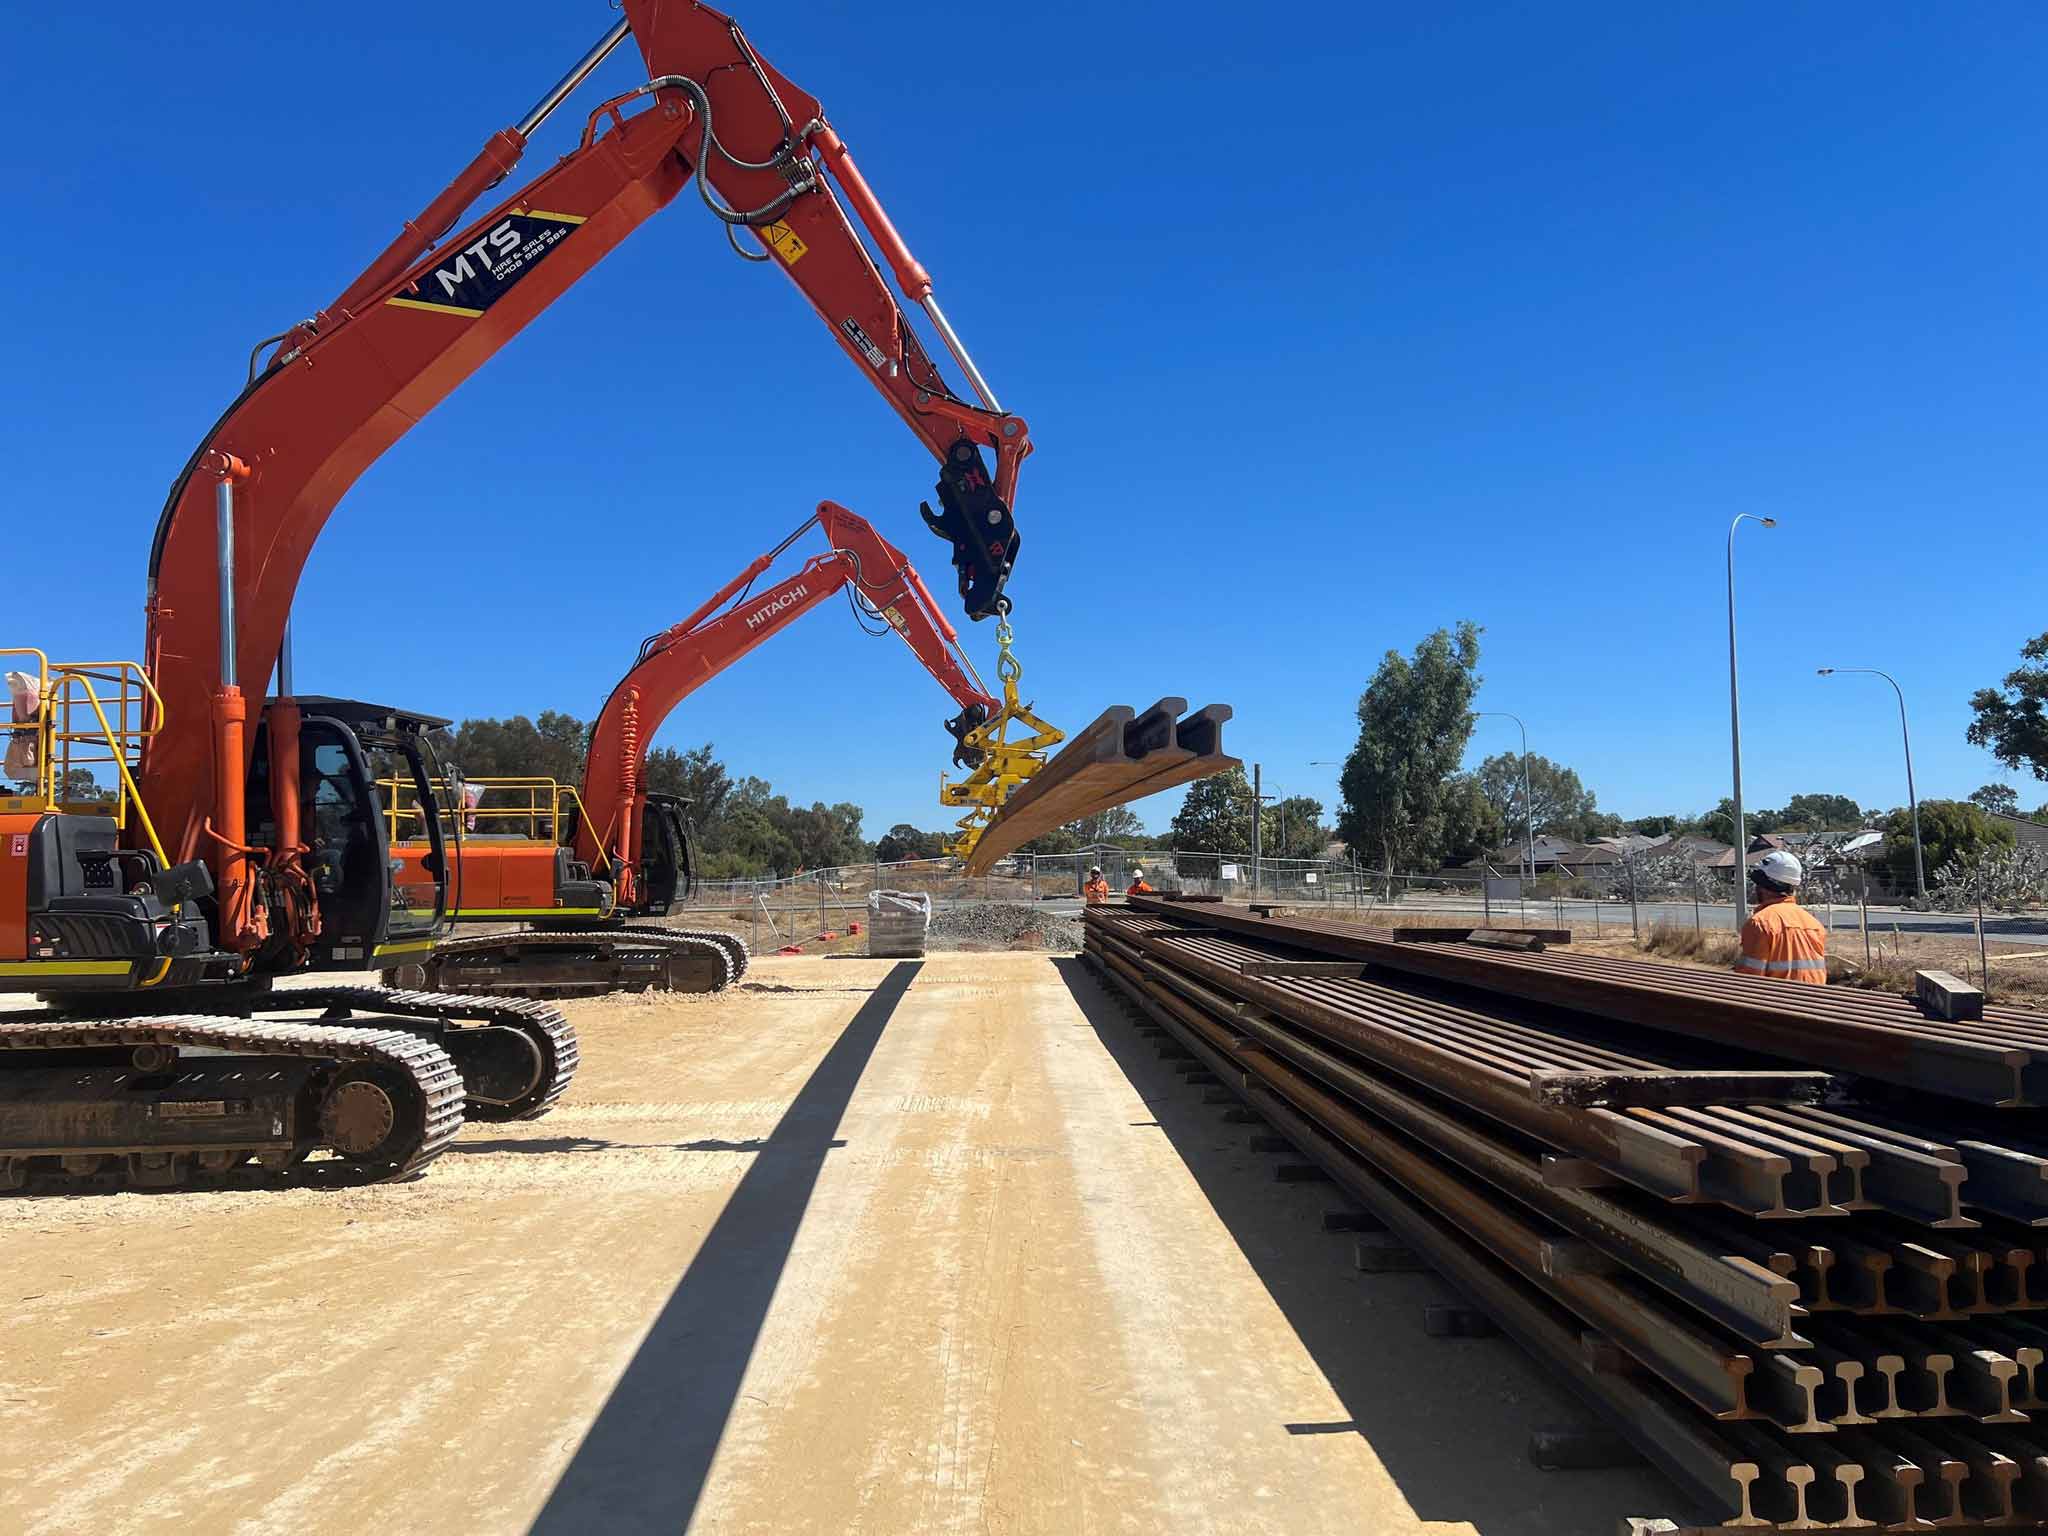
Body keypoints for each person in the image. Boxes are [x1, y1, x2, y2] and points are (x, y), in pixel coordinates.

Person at [1735, 850, 1828, 985]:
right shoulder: (1814, 925)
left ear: (1765, 886)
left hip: (1775, 1002)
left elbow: (1748, 981)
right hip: (1815, 1002)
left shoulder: (1760, 923)